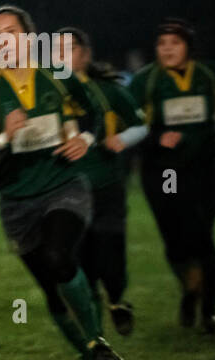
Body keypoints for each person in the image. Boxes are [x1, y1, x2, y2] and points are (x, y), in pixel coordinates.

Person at [0, 5, 123, 360]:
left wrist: (84, 139)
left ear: (29, 39)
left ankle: (98, 342)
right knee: (53, 288)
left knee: (58, 256)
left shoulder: (58, 75)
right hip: (17, 203)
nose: (2, 42)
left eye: (10, 33)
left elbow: (95, 114)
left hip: (64, 187)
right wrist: (3, 138)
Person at [129, 18, 215, 333]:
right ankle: (189, 287)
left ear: (189, 48)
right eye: (161, 44)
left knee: (203, 237)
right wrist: (156, 138)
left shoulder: (209, 74)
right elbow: (127, 128)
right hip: (164, 172)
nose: (167, 49)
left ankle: (208, 312)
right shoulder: (145, 82)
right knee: (175, 238)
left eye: (175, 43)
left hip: (204, 169)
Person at [55, 27, 147, 335]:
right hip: (67, 192)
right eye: (56, 51)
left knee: (110, 252)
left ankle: (118, 302)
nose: (61, 57)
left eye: (67, 50)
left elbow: (141, 124)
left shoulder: (107, 90)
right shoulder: (48, 93)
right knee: (80, 263)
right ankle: (96, 341)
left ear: (84, 55)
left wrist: (121, 138)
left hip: (107, 187)